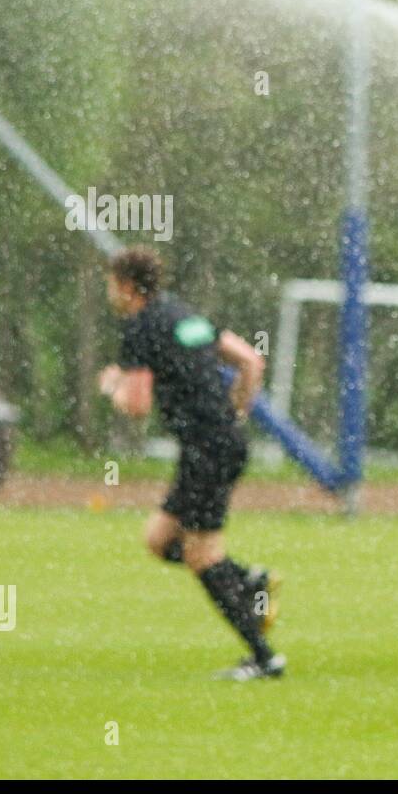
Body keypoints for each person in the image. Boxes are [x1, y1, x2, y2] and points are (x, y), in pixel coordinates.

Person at [98, 246, 284, 681]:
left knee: (201, 555)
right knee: (160, 539)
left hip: (207, 450)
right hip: (217, 443)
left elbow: (137, 404)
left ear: (126, 287)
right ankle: (247, 583)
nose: (110, 292)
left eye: (111, 284)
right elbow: (251, 362)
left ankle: (264, 658)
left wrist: (111, 386)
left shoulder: (140, 327)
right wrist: (235, 412)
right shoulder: (184, 316)